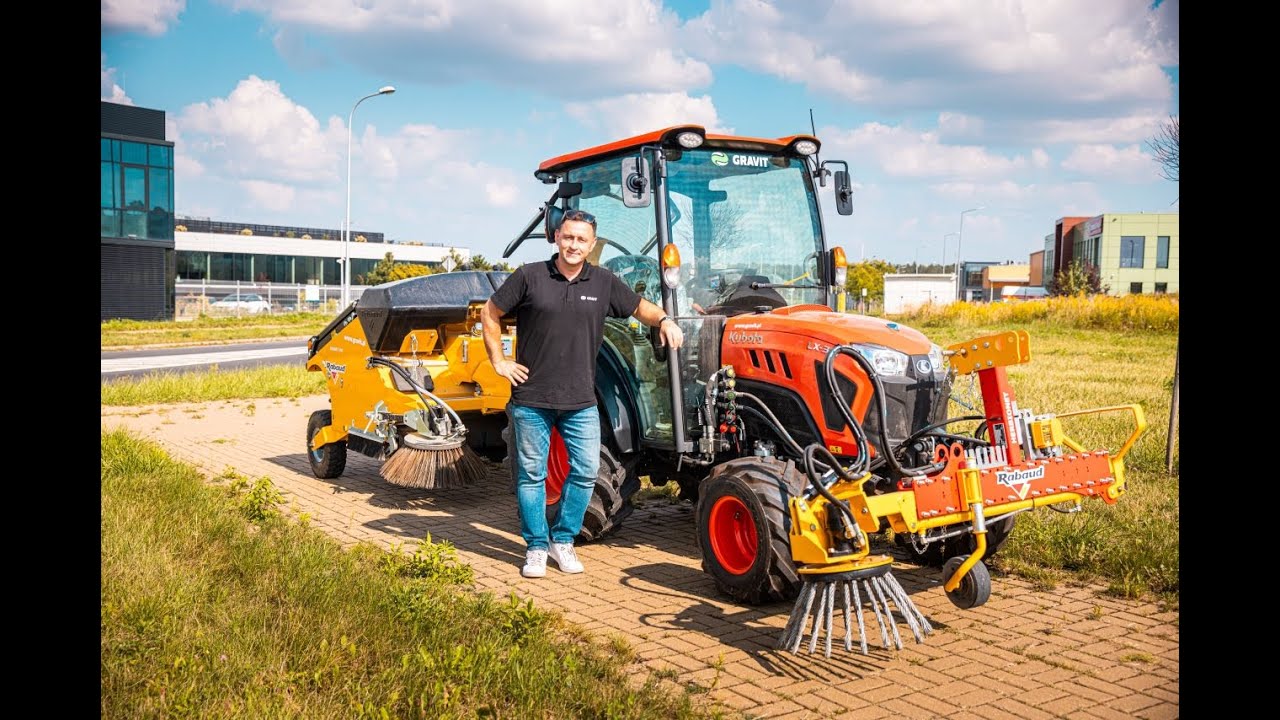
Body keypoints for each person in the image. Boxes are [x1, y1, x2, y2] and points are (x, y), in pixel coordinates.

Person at [481, 209, 684, 578]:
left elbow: (641, 308)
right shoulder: (529, 276)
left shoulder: (603, 282)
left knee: (586, 471)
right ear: (557, 237)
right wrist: (500, 361)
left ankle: (563, 539)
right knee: (531, 475)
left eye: (582, 239)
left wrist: (666, 320)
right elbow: (490, 312)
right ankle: (536, 547)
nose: (574, 245)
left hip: (580, 401)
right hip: (532, 399)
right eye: (568, 237)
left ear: (592, 245)